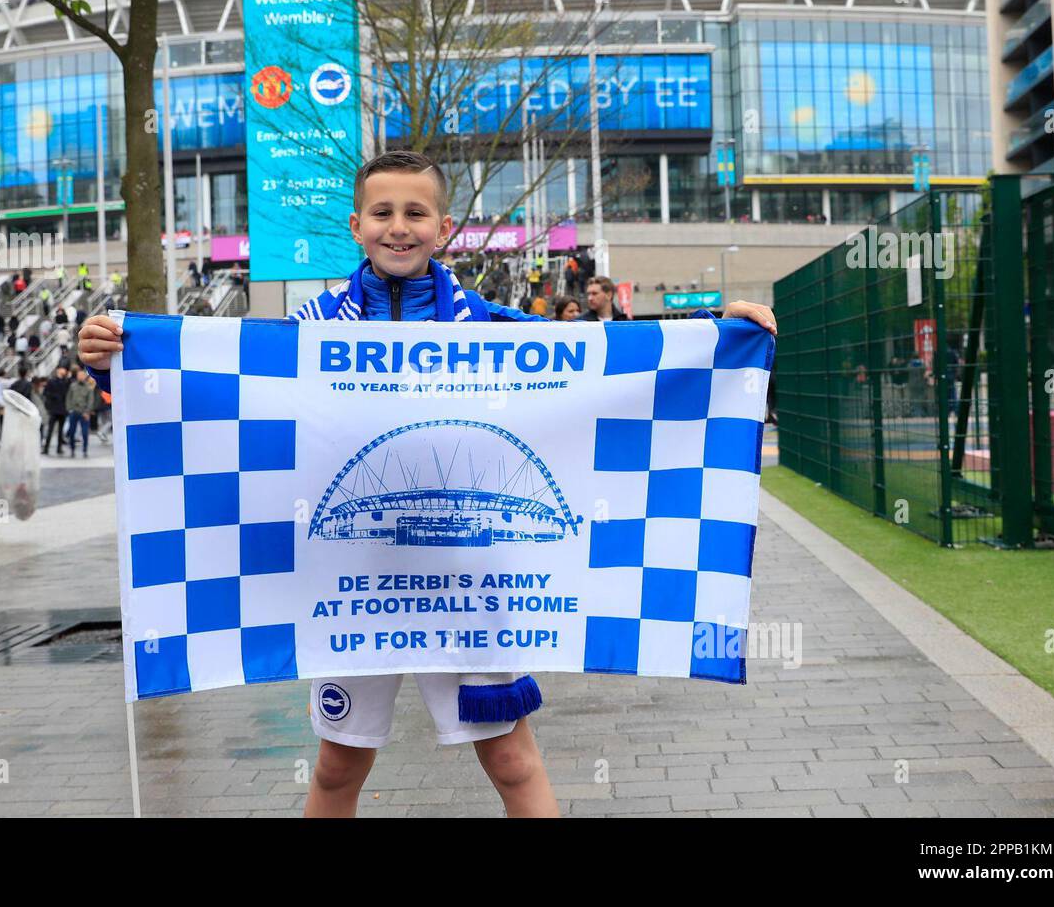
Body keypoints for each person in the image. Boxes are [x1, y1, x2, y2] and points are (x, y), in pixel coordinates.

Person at [79, 151, 779, 818]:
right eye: (381, 212)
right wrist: (115, 360)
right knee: (335, 768)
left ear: (445, 229)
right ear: (355, 226)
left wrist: (714, 335)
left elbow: (601, 364)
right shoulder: (306, 331)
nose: (398, 226)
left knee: (512, 762)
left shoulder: (491, 326)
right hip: (347, 593)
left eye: (416, 213)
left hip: (474, 590)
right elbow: (221, 388)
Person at [64, 366, 95, 457]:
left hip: (84, 413)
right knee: (72, 432)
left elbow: (90, 401)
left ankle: (85, 450)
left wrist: (87, 412)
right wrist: (69, 409)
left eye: (82, 375)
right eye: (79, 375)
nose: (80, 377)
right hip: (74, 412)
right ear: (77, 376)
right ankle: (72, 449)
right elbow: (68, 397)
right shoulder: (72, 386)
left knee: (85, 432)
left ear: (85, 376)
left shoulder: (88, 387)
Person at [42, 367, 70, 455]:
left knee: (60, 431)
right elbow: (46, 393)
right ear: (58, 371)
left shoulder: (66, 381)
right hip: (54, 409)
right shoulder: (51, 381)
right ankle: (46, 448)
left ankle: (59, 448)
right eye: (62, 369)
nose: (64, 371)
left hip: (62, 409)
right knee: (50, 430)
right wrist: (52, 400)